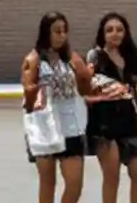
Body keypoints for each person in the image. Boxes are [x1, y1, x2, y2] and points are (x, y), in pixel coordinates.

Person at [22, 12, 117, 203]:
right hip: (44, 127)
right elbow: (28, 91)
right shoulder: (33, 60)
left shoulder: (72, 59)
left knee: (75, 184)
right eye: (57, 31)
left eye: (65, 31)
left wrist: (89, 80)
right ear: (46, 32)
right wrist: (37, 90)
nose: (62, 35)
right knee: (48, 184)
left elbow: (85, 89)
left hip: (71, 127)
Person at [85, 12, 137, 203]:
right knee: (112, 177)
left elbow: (135, 92)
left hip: (129, 122)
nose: (115, 34)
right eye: (110, 30)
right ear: (102, 34)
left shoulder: (131, 57)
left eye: (119, 30)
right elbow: (85, 87)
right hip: (104, 123)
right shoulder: (95, 56)